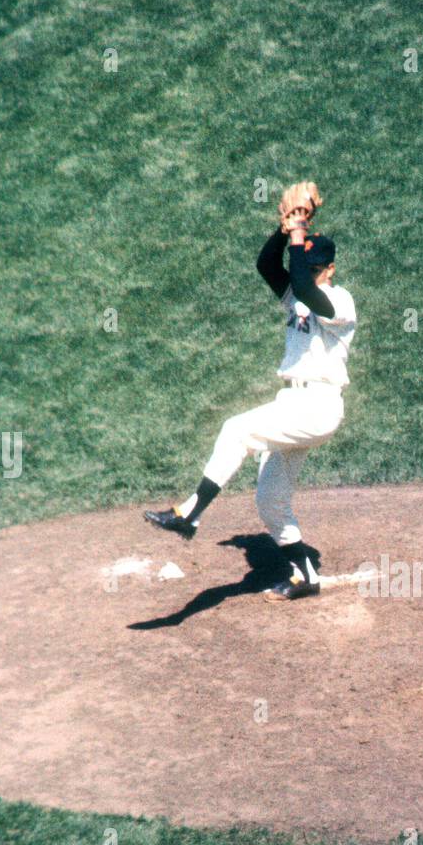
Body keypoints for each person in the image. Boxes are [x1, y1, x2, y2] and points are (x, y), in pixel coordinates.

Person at [144, 184, 356, 600]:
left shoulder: (339, 301)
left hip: (318, 406)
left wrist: (299, 237)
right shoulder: (298, 293)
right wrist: (284, 231)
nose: (308, 273)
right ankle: (305, 574)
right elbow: (267, 266)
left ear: (329, 269)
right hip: (292, 402)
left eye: (316, 268)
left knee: (235, 430)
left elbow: (303, 284)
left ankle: (190, 513)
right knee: (270, 500)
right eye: (307, 267)